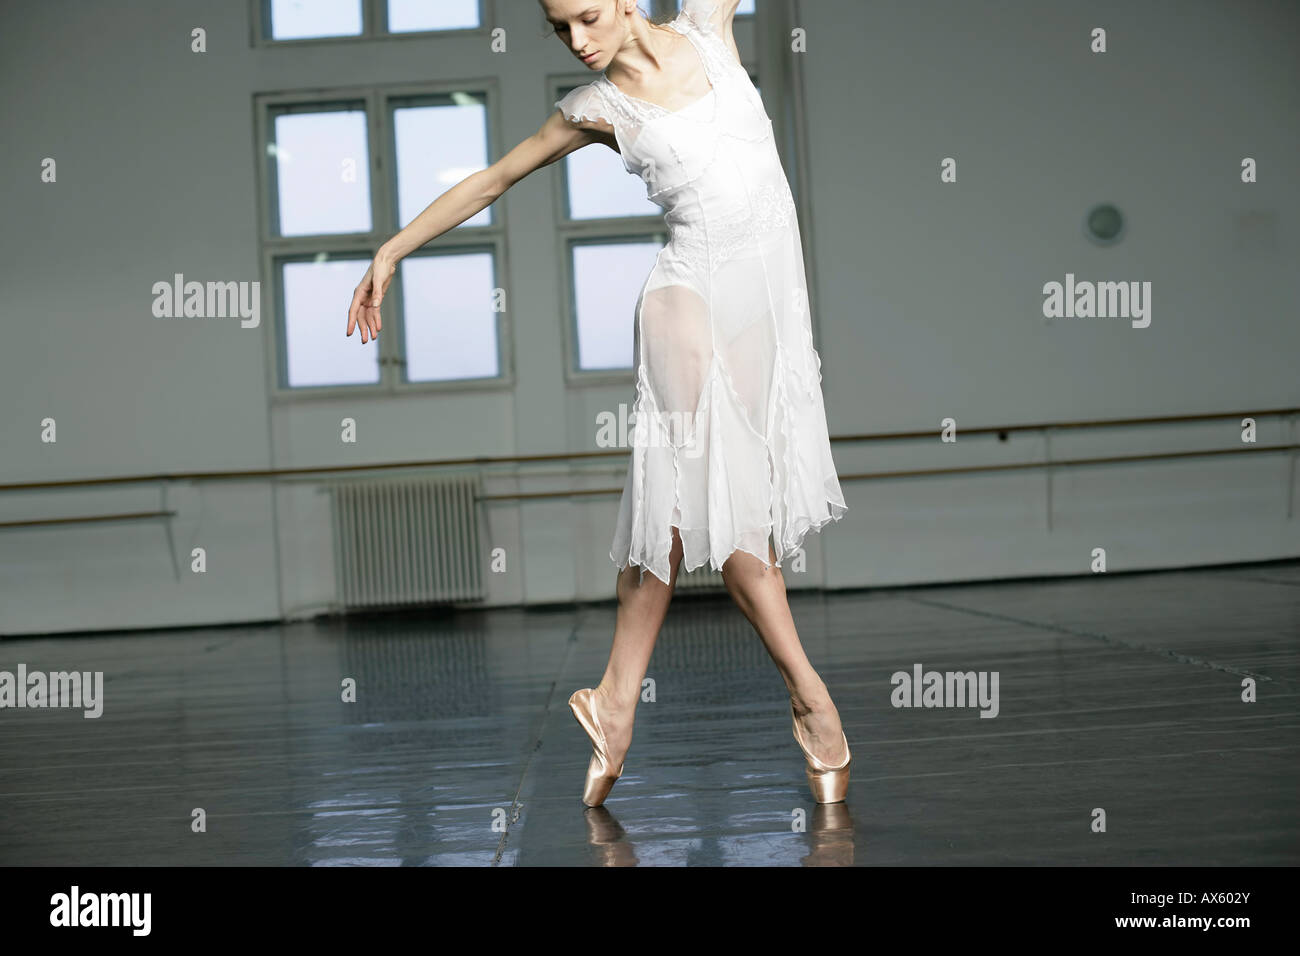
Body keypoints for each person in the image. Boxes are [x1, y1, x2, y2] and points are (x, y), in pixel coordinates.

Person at [346, 0, 851, 809]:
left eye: (585, 18)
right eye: (558, 30)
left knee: (724, 518)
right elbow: (493, 177)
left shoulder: (708, 27)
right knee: (684, 506)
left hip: (764, 310)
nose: (577, 43)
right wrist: (391, 249)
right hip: (685, 297)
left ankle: (617, 703)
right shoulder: (597, 108)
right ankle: (811, 701)